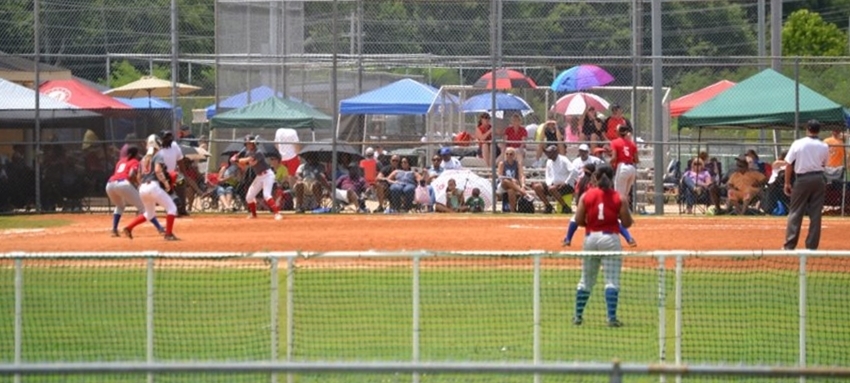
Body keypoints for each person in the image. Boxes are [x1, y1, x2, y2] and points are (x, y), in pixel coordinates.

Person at [571, 164, 633, 328]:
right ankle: (611, 318)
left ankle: (577, 315)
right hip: (610, 238)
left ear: (595, 178)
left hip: (590, 238)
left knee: (586, 280)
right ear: (612, 178)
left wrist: (591, 223)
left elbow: (578, 220)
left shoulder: (586, 196)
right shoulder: (619, 197)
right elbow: (626, 223)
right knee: (611, 280)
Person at [562, 162, 636, 247]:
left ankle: (568, 239)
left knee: (574, 219)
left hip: (591, 223)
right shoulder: (614, 192)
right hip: (610, 234)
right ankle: (629, 238)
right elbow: (626, 221)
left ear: (596, 175)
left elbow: (579, 207)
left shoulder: (584, 184)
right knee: (616, 220)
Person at [120, 135, 179, 241]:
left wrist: (142, 185)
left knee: (149, 214)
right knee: (172, 208)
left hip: (143, 187)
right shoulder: (158, 155)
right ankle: (168, 234)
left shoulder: (143, 158)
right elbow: (157, 170)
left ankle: (129, 227)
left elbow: (138, 176)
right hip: (153, 186)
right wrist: (166, 183)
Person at [783, 120, 829, 250]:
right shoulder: (824, 145)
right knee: (816, 214)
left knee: (796, 212)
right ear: (819, 130)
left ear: (807, 129)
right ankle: (812, 246)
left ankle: (790, 245)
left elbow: (788, 164)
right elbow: (824, 164)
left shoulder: (798, 143)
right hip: (819, 178)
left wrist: (787, 183)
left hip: (802, 179)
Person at [104, 146, 165, 237]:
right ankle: (159, 228)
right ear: (135, 154)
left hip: (109, 184)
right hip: (122, 184)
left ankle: (114, 229)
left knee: (120, 206)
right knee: (144, 208)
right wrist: (138, 183)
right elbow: (131, 174)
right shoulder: (135, 161)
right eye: (137, 154)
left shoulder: (121, 161)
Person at [231, 135, 282, 220]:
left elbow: (252, 163)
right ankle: (254, 215)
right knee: (249, 197)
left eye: (250, 143)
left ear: (254, 144)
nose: (248, 145)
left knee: (266, 195)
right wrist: (235, 161)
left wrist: (237, 160)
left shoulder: (259, 152)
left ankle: (277, 214)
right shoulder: (248, 153)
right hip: (259, 176)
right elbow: (243, 167)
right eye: (247, 144)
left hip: (267, 175)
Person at [531, 145, 576, 214]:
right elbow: (547, 175)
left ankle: (565, 207)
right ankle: (548, 206)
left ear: (555, 152)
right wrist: (549, 184)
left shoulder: (563, 159)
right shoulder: (549, 161)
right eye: (547, 153)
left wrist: (566, 182)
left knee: (552, 188)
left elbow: (574, 171)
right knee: (537, 187)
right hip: (552, 185)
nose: (548, 154)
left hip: (565, 185)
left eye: (550, 153)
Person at [155, 130, 191, 217]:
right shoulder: (157, 148)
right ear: (161, 139)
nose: (169, 139)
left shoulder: (174, 145)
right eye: (166, 137)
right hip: (159, 175)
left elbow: (180, 160)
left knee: (181, 183)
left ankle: (181, 209)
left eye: (169, 137)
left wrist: (184, 174)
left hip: (172, 174)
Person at [609, 124, 638, 208]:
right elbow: (636, 160)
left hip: (622, 168)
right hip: (632, 169)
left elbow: (614, 158)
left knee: (618, 194)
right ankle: (625, 213)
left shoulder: (614, 142)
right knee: (625, 195)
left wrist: (609, 163)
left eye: (616, 131)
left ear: (619, 132)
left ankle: (618, 215)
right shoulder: (632, 144)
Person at [497, 147, 529, 213]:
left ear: (514, 155)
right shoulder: (502, 164)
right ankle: (523, 192)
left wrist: (523, 185)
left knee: (511, 190)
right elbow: (500, 177)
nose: (508, 155)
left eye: (511, 154)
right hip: (503, 185)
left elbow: (521, 176)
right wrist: (511, 179)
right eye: (507, 154)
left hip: (514, 186)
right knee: (506, 181)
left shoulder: (517, 164)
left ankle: (512, 211)